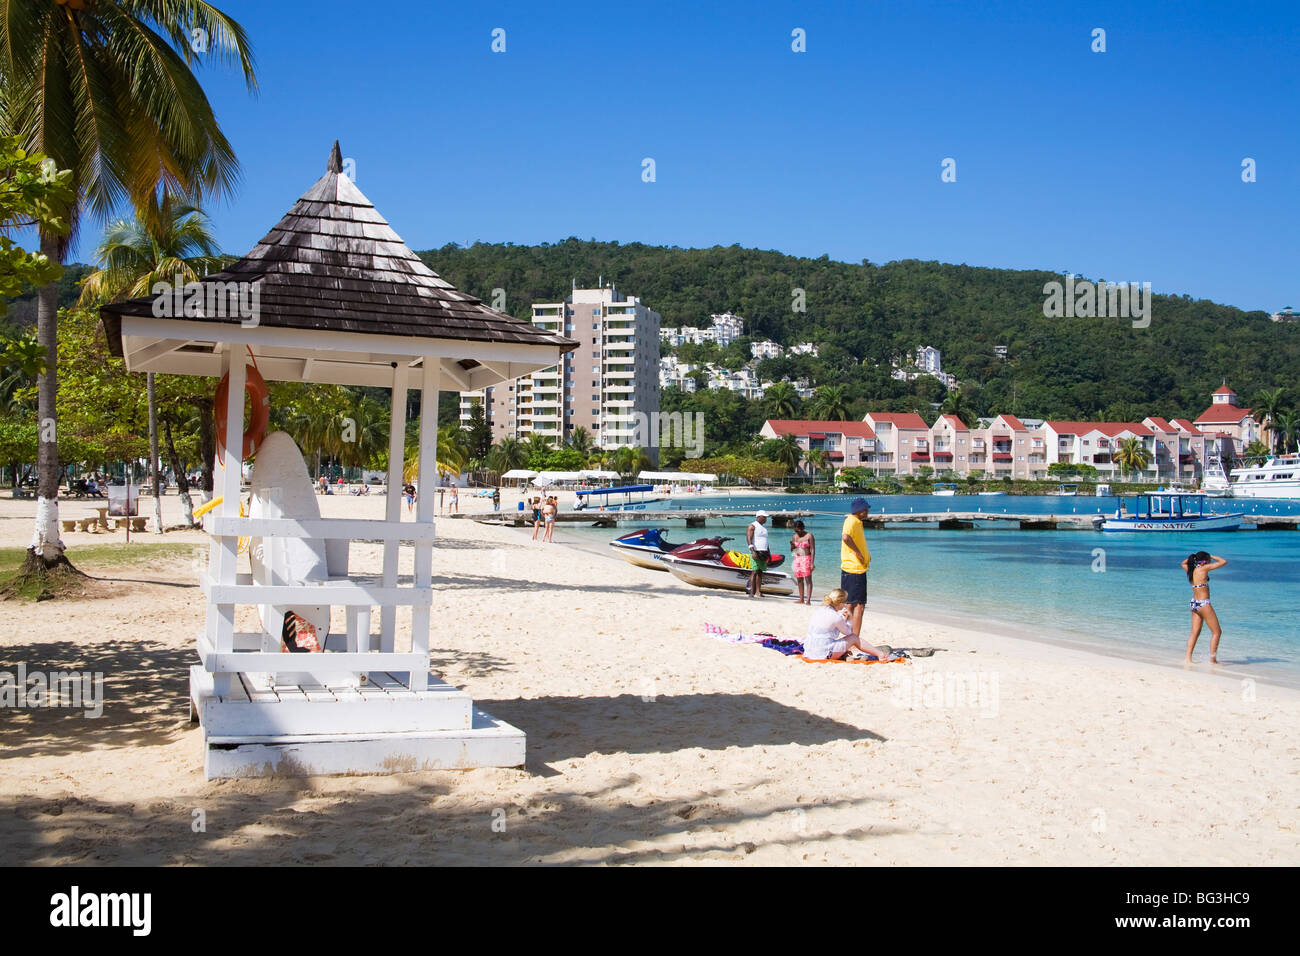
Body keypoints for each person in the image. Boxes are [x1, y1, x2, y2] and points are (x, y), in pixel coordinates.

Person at [804, 589, 896, 661]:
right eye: (844, 602)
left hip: (809, 651)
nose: (845, 605)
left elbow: (830, 627)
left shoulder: (819, 610)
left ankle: (844, 654)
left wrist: (843, 619)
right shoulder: (836, 616)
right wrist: (849, 619)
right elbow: (849, 633)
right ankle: (881, 655)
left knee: (842, 642)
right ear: (840, 603)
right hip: (823, 653)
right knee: (854, 638)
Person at [1182, 551, 1228, 664]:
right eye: (1209, 560)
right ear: (1205, 561)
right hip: (1203, 604)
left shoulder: (1191, 570)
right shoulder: (1204, 568)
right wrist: (1211, 556)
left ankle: (1188, 658)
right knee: (1217, 632)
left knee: (1194, 632)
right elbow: (1223, 561)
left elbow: (1183, 563)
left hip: (1194, 603)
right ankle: (1213, 660)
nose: (1210, 562)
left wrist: (1195, 559)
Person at [840, 497, 871, 638]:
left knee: (850, 604)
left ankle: (848, 635)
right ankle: (854, 638)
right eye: (865, 509)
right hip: (854, 568)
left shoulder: (856, 522)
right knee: (858, 605)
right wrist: (859, 554)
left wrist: (865, 556)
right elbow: (845, 537)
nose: (868, 511)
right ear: (859, 511)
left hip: (853, 568)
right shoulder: (851, 521)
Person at [746, 510, 771, 598]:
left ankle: (758, 592)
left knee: (760, 572)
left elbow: (766, 542)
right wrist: (752, 551)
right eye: (764, 517)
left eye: (766, 517)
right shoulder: (752, 526)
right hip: (755, 551)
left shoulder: (764, 528)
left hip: (764, 552)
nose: (765, 519)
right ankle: (751, 592)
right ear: (758, 517)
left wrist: (769, 553)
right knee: (755, 571)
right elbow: (749, 538)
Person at [790, 519, 815, 605]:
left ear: (802, 528)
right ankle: (801, 599)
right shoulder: (794, 536)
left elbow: (812, 549)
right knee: (799, 580)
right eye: (796, 530)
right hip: (797, 559)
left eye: (799, 530)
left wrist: (812, 563)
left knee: (808, 580)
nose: (798, 532)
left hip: (806, 558)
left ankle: (808, 600)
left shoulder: (809, 536)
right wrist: (792, 546)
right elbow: (792, 550)